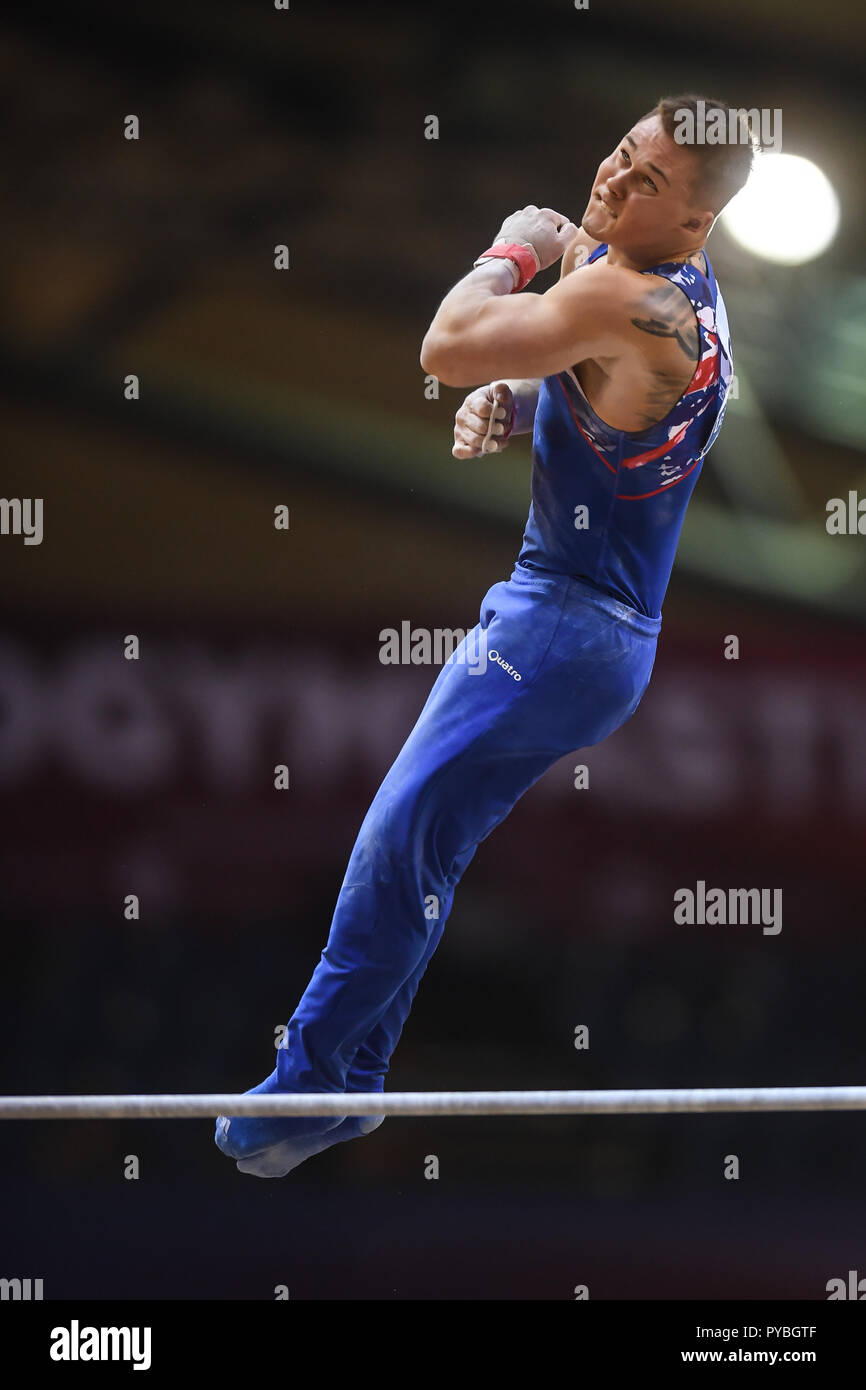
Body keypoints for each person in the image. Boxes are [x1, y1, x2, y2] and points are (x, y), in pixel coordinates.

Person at [215, 93, 753, 1177]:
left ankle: (311, 1087)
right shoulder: (689, 305)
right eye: (616, 155)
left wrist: (514, 247)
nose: (609, 183)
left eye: (643, 184)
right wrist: (523, 406)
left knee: (396, 834)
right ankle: (343, 1082)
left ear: (692, 226)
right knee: (428, 843)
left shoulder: (617, 293)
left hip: (556, 623)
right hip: (599, 634)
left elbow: (445, 345)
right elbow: (624, 417)